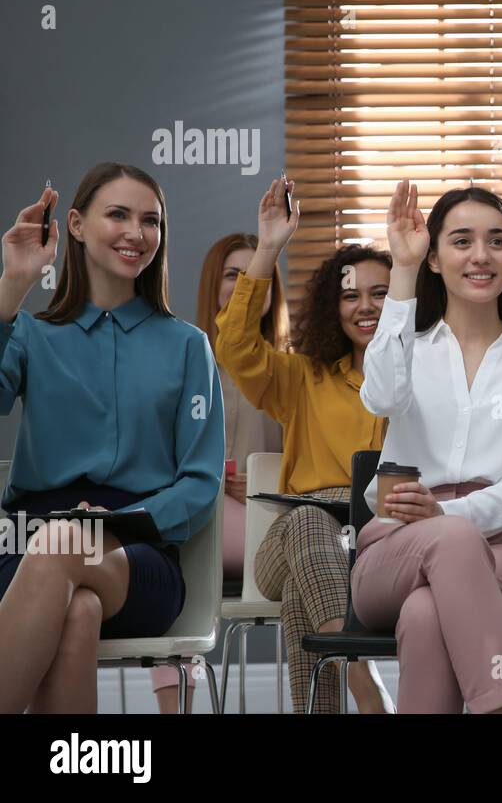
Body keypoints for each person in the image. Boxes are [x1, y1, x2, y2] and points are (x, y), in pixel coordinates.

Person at [0, 163, 222, 713]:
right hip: (24, 542)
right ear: (74, 224)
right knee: (78, 612)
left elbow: (200, 482)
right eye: (117, 214)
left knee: (63, 544)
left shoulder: (189, 346)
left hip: (137, 552)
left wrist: (112, 524)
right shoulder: (28, 333)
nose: (136, 232)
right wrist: (12, 287)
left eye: (151, 220)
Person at [351, 182, 502, 713]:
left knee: (427, 614)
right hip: (394, 548)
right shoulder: (408, 348)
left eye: (497, 241)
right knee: (446, 546)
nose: (481, 255)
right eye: (461, 241)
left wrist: (447, 512)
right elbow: (380, 397)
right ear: (434, 257)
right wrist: (401, 271)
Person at [215, 176, 392, 714]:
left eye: (381, 293)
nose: (365, 307)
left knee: (303, 588)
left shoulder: (423, 383)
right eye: (350, 295)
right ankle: (366, 683)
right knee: (311, 521)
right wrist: (268, 247)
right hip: (291, 534)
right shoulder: (303, 378)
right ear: (329, 307)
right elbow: (236, 346)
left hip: (377, 546)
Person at [152, 232, 289, 713]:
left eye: (258, 274)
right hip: (202, 518)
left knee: (175, 543)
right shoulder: (182, 359)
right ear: (214, 283)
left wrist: (268, 482)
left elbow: (315, 468)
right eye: (234, 273)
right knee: (176, 535)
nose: (247, 283)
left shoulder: (289, 367)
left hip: (271, 528)